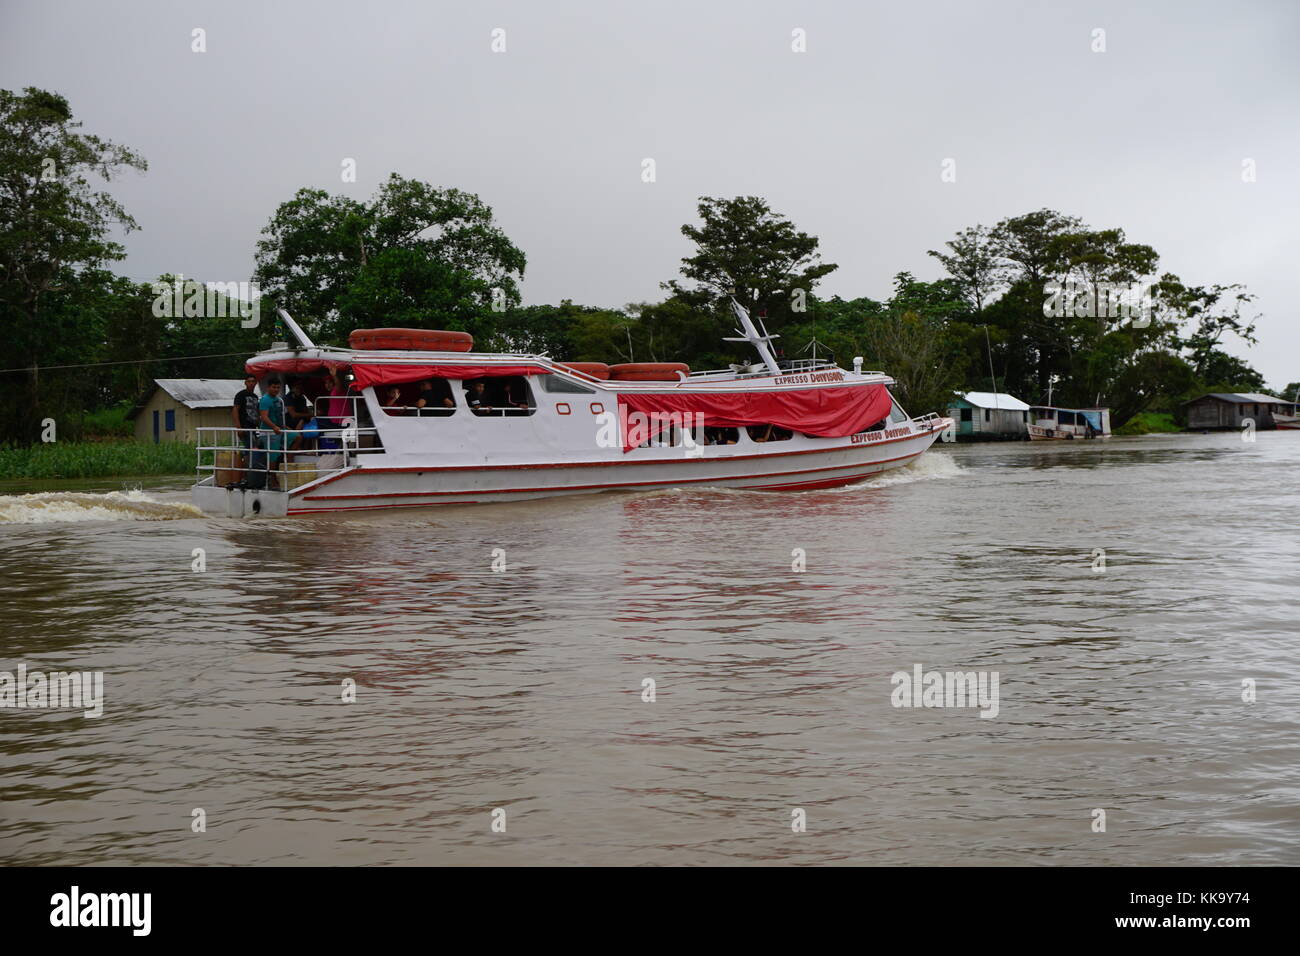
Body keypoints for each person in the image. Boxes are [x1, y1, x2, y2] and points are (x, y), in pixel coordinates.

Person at [258, 379, 287, 489]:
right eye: (274, 387)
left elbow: (280, 416)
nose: (276, 389)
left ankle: (288, 470)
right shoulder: (265, 400)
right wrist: (274, 427)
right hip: (269, 432)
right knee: (273, 457)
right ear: (268, 387)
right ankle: (272, 479)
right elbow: (263, 417)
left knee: (297, 437)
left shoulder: (278, 400)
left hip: (279, 430)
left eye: (278, 387)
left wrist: (284, 427)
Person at [232, 375, 259, 467]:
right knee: (249, 448)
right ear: (245, 383)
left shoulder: (255, 396)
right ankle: (247, 470)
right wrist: (239, 427)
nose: (251, 383)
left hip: (253, 427)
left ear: (256, 383)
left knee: (254, 447)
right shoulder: (241, 395)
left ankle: (251, 468)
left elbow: (256, 413)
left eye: (253, 381)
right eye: (249, 381)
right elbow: (235, 410)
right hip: (244, 426)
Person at [284, 379, 313, 449]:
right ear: (292, 388)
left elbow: (305, 410)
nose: (299, 390)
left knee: (312, 425)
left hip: (301, 419)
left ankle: (307, 448)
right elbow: (293, 414)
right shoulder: (288, 398)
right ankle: (298, 446)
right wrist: (310, 415)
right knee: (301, 422)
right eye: (297, 388)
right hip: (289, 421)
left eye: (300, 388)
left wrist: (313, 413)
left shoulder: (302, 398)